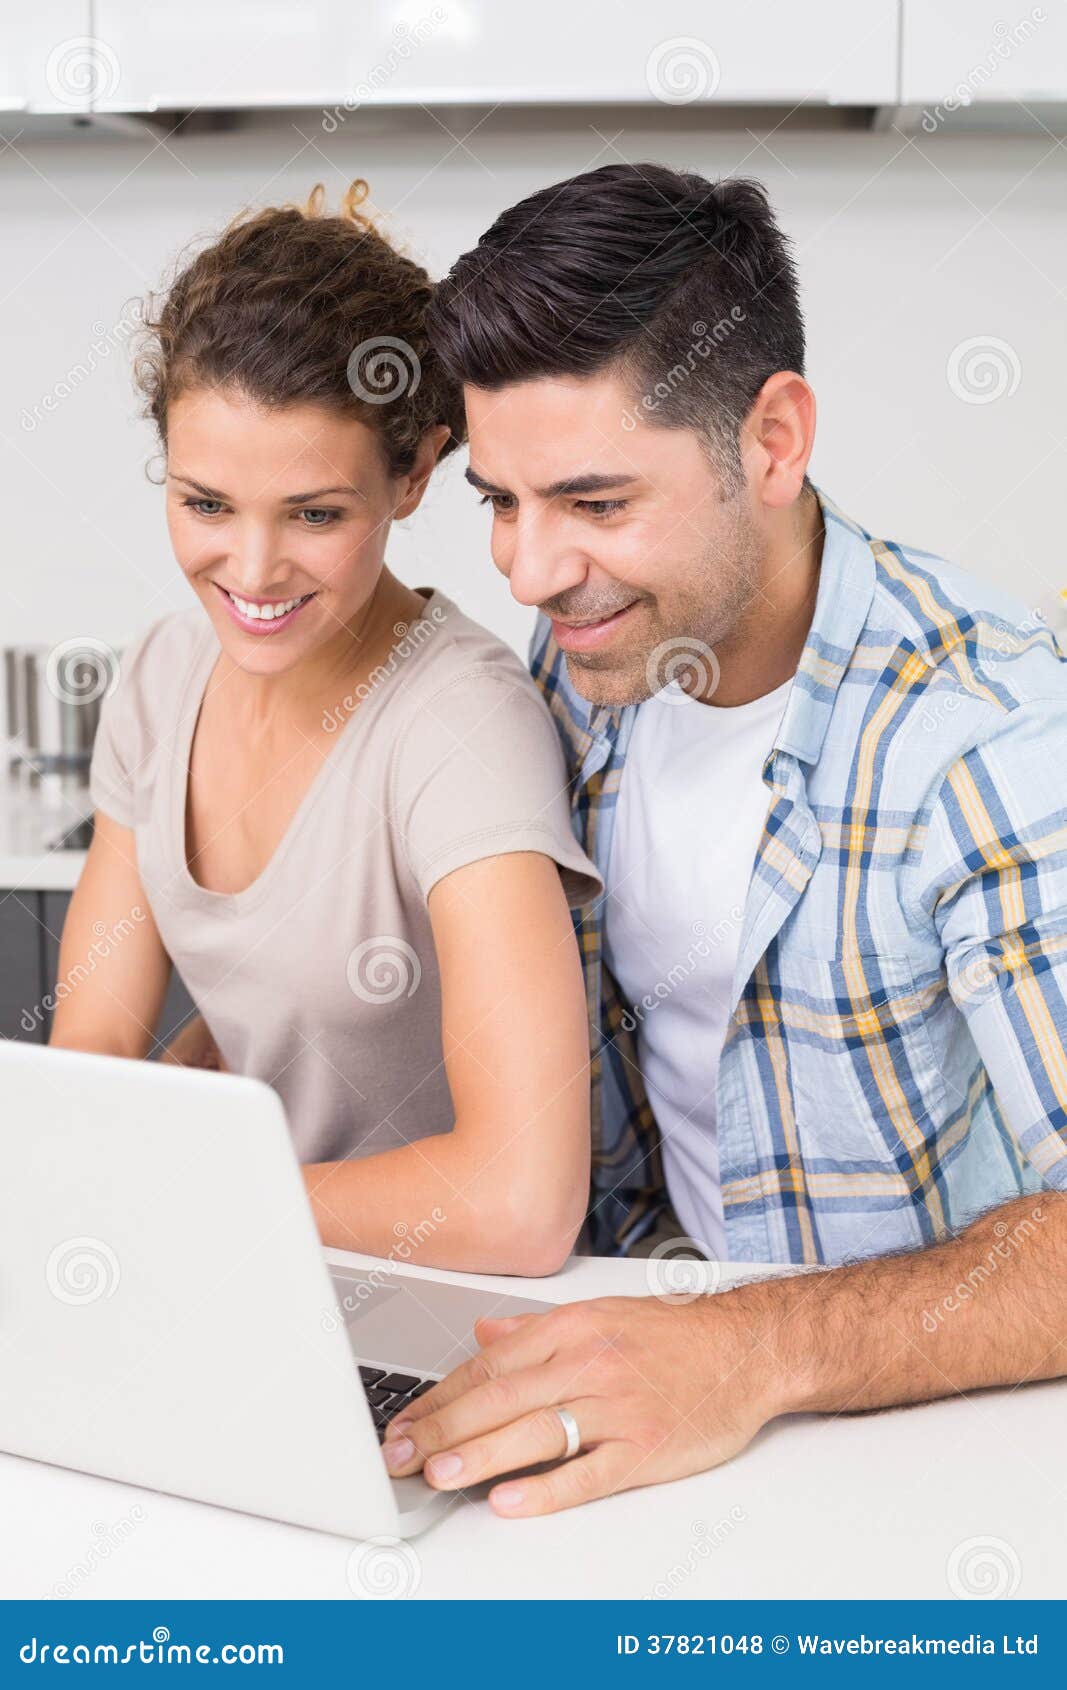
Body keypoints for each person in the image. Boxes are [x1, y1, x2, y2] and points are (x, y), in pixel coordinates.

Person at [380, 161, 1067, 1513]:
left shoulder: (987, 740)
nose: (526, 568)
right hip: (636, 1376)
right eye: (499, 503)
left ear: (770, 440)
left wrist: (746, 1346)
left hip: (909, 1440)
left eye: (590, 501)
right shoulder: (595, 647)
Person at [49, 181, 600, 1278]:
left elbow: (525, 1199)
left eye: (314, 514)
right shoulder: (163, 677)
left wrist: (190, 1198)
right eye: (205, 503)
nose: (251, 573)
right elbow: (92, 1058)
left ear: (410, 473)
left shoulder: (458, 725)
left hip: (429, 1305)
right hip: (234, 1272)